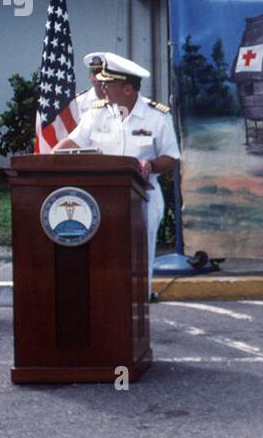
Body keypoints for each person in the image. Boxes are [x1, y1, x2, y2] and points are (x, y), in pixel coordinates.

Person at [54, 54, 179, 299]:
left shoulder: (157, 116)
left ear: (128, 89)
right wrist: (54, 155)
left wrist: (151, 165)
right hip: (101, 198)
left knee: (141, 254)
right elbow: (71, 142)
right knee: (104, 252)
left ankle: (140, 300)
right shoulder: (97, 113)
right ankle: (108, 299)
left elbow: (171, 157)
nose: (102, 87)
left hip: (143, 196)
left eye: (108, 84)